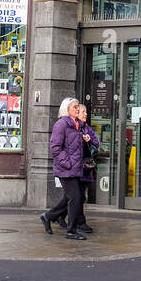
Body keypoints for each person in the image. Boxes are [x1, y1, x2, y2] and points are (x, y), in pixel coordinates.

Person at [41, 98, 87, 240]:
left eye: (78, 106)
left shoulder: (78, 125)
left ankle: (48, 216)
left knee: (71, 197)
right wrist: (67, 163)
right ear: (66, 109)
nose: (78, 109)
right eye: (75, 107)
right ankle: (71, 231)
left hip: (75, 168)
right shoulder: (61, 125)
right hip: (66, 169)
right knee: (76, 198)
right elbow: (55, 148)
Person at [73, 103, 99, 235]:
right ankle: (79, 222)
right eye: (83, 111)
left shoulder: (87, 128)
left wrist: (89, 141)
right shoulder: (74, 127)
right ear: (76, 113)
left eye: (86, 112)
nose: (86, 114)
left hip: (85, 169)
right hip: (75, 168)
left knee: (77, 196)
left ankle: (55, 216)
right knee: (77, 196)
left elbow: (96, 143)